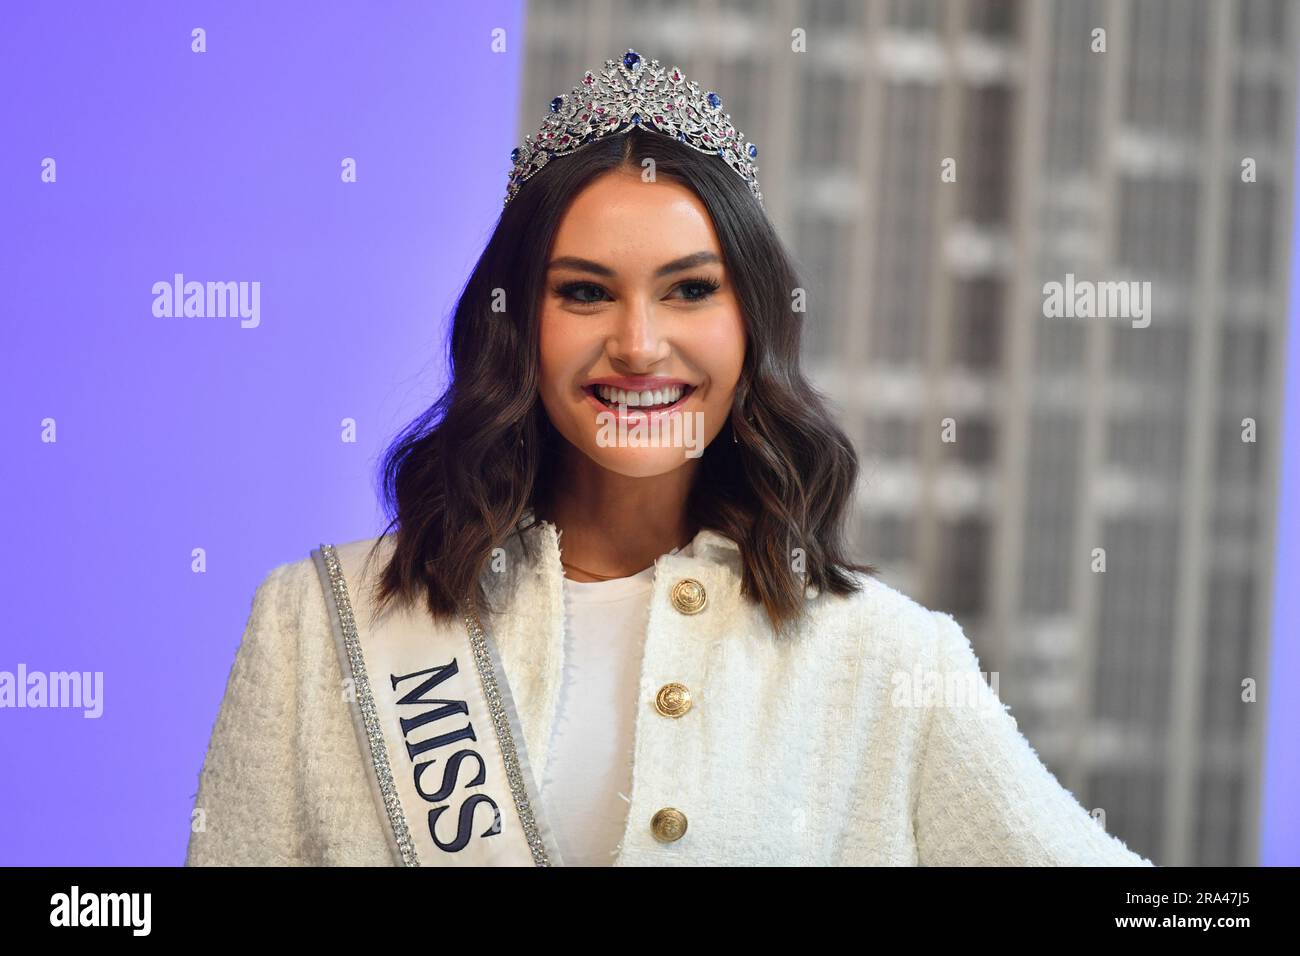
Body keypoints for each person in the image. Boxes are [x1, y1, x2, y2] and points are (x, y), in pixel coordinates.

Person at [185, 49, 1154, 867]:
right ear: (517, 321)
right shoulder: (319, 625)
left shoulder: (886, 660)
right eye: (585, 292)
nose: (640, 344)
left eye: (689, 290)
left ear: (753, 324)